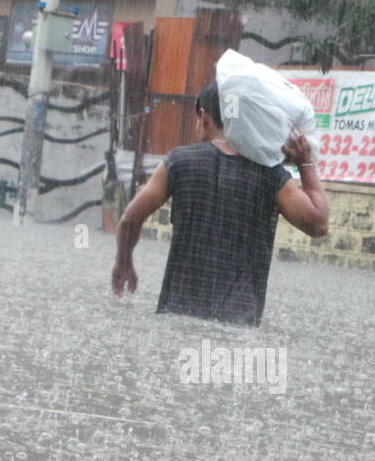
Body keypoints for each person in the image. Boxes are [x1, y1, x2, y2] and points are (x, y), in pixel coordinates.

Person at [112, 80, 329, 327]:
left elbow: (130, 219)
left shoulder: (178, 163)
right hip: (240, 322)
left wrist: (123, 262)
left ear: (204, 116)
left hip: (177, 314)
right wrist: (306, 164)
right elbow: (318, 225)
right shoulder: (271, 177)